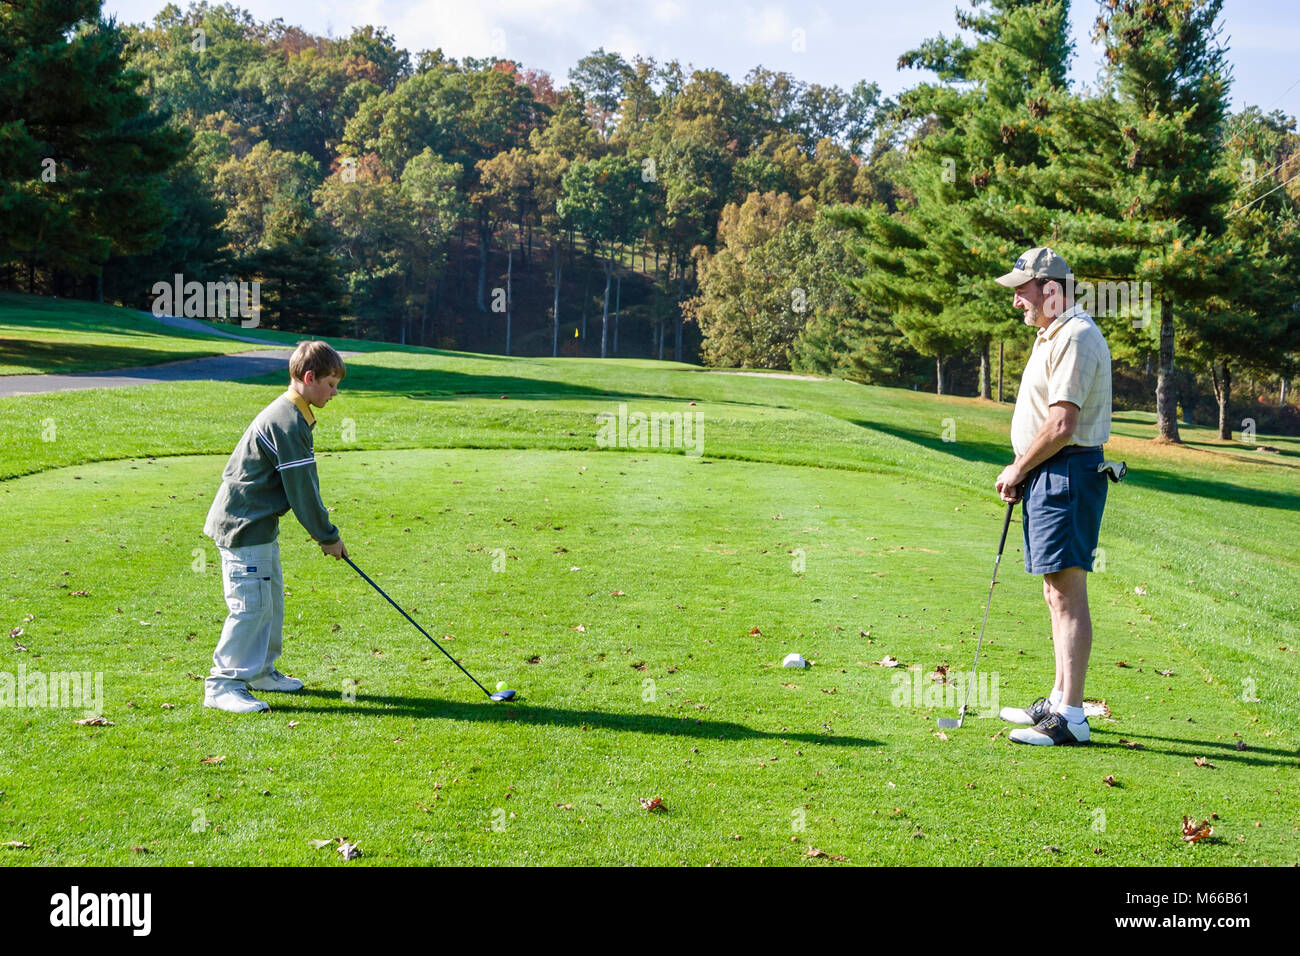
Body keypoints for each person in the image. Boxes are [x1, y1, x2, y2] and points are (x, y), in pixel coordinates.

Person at [991, 247, 1112, 745]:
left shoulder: (1077, 336)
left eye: (1023, 289)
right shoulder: (1053, 334)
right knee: (1053, 589)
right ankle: (1059, 698)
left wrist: (1018, 466)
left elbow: (1062, 425)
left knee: (1067, 591)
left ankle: (1073, 717)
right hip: (1051, 473)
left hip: (1065, 473)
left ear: (1051, 289)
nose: (1017, 299)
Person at [201, 341, 350, 713]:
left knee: (269, 604)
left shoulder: (294, 415)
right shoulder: (287, 420)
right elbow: (302, 490)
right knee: (250, 607)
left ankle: (261, 672)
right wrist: (326, 536)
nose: (335, 394)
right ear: (309, 377)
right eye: (331, 385)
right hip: (243, 526)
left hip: (260, 525)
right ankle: (223, 684)